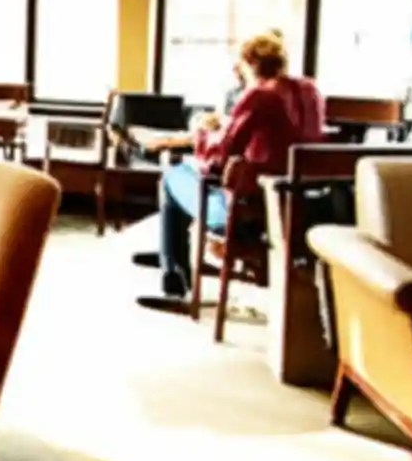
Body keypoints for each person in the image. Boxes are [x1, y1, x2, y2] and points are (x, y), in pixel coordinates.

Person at [134, 32, 324, 313]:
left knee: (172, 177)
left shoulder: (259, 95)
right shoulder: (310, 91)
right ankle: (170, 252)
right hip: (297, 210)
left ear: (249, 63)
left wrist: (201, 132)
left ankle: (174, 280)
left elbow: (219, 156)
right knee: (187, 176)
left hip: (249, 215)